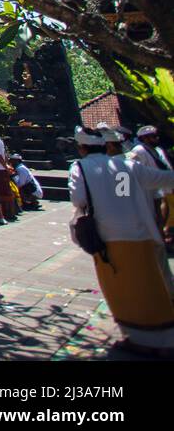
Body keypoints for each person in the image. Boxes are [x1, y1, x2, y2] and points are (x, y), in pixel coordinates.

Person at [70, 127, 174, 356]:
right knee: (148, 286)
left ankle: (143, 340)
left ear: (82, 148)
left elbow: (78, 199)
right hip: (139, 235)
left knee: (123, 291)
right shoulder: (124, 166)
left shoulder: (81, 167)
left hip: (108, 237)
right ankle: (160, 340)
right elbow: (123, 195)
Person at [130, 125, 174, 243]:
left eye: (156, 136)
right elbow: (132, 166)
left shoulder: (158, 150)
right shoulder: (139, 150)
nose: (157, 138)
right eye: (153, 136)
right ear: (145, 138)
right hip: (152, 189)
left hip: (165, 187)